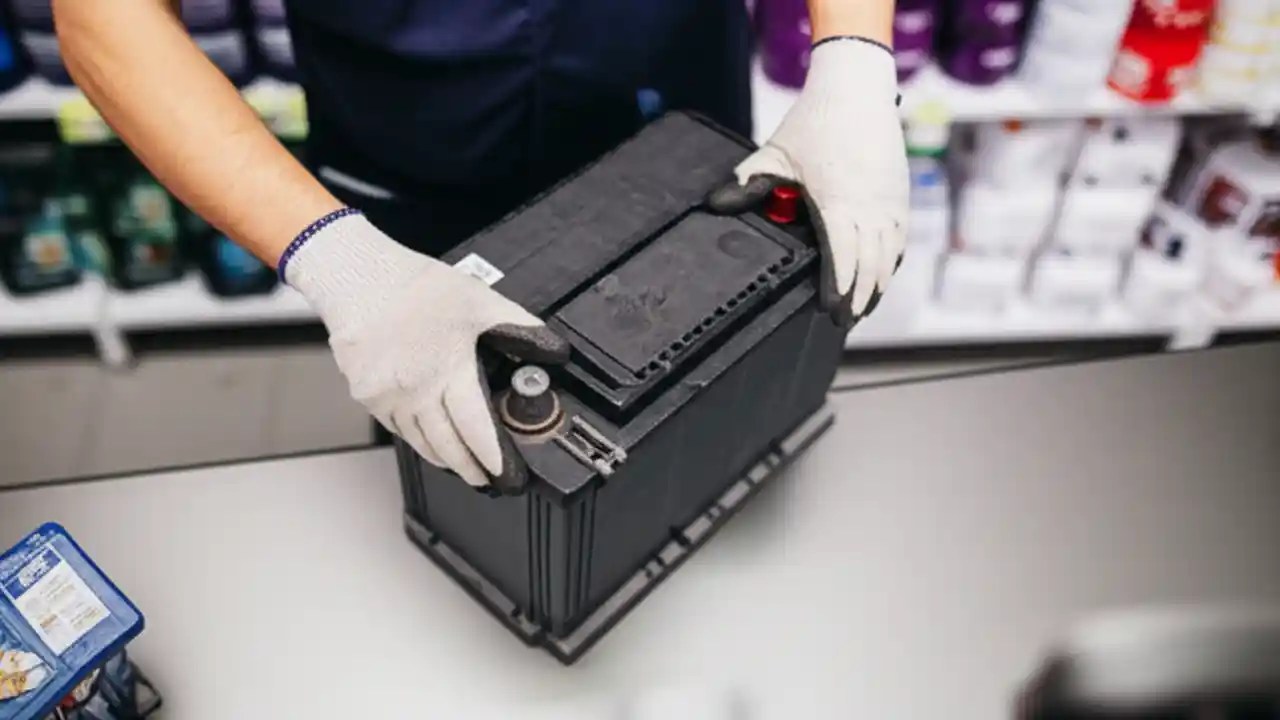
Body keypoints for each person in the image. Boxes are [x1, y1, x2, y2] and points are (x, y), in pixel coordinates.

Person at [53, 0, 908, 492]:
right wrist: (335, 259)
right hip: (407, 118)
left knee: (706, 380)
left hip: (663, 70)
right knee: (461, 422)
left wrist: (855, 56)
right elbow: (103, 15)